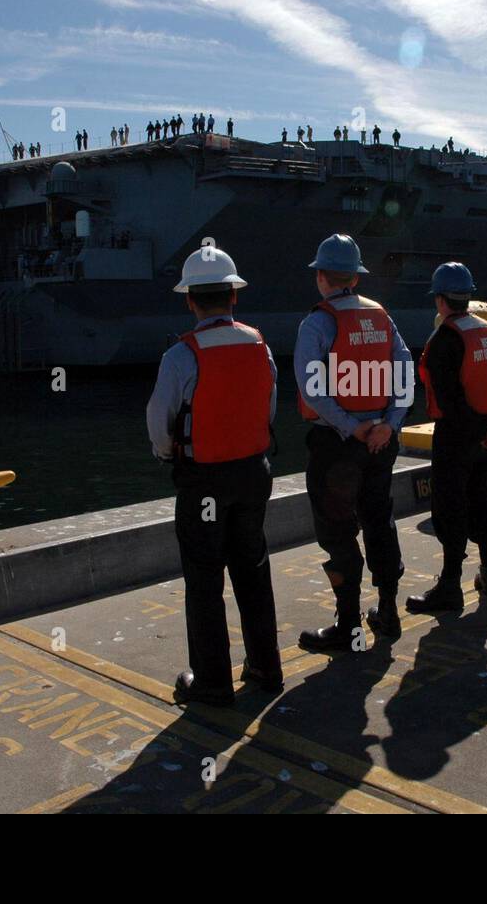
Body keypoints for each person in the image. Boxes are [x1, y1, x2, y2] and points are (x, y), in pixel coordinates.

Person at [145, 245, 282, 706]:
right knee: (253, 569)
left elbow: (159, 424)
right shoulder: (260, 345)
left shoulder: (181, 356)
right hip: (253, 474)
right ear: (233, 296)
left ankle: (212, 682)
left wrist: (171, 457)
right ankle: (266, 667)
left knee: (205, 581)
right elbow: (268, 409)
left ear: (189, 301)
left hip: (203, 481)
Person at [294, 233, 412, 651]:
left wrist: (350, 426)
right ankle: (389, 611)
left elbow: (312, 391)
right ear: (356, 279)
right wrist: (389, 424)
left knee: (338, 531)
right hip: (380, 442)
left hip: (337, 446)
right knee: (380, 520)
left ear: (321, 276)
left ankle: (348, 625)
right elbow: (404, 369)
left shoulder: (317, 322)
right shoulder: (381, 316)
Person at [407, 263, 487, 612]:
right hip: (486, 439)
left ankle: (450, 587)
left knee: (449, 509)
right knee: (482, 502)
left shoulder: (444, 340)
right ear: (467, 295)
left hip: (455, 438)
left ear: (440, 300)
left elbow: (450, 401)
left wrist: (477, 430)